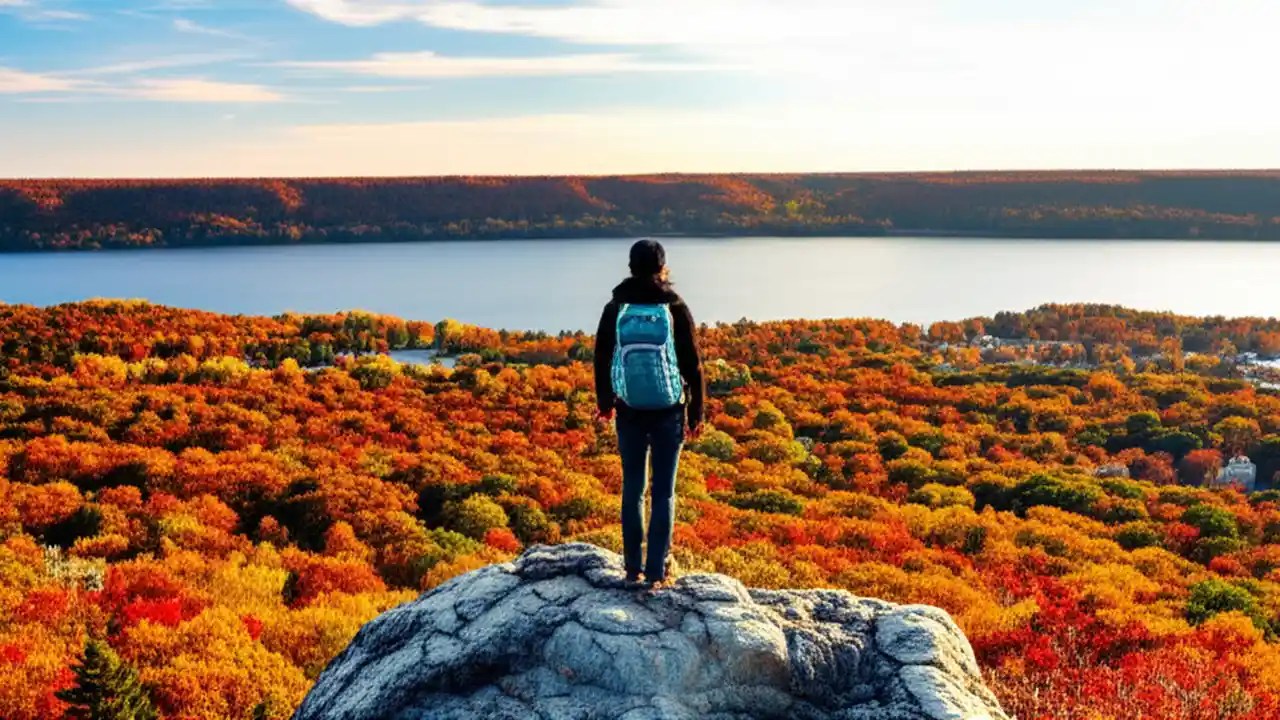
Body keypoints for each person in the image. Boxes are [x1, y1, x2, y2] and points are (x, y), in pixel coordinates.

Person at [594, 239, 704, 589]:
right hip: (669, 411)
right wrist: (697, 413)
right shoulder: (674, 306)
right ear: (662, 267)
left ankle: (631, 568)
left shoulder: (616, 306)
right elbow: (693, 365)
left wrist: (605, 403)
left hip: (628, 409)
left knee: (633, 489)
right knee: (664, 493)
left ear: (630, 266)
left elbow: (601, 357)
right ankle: (656, 572)